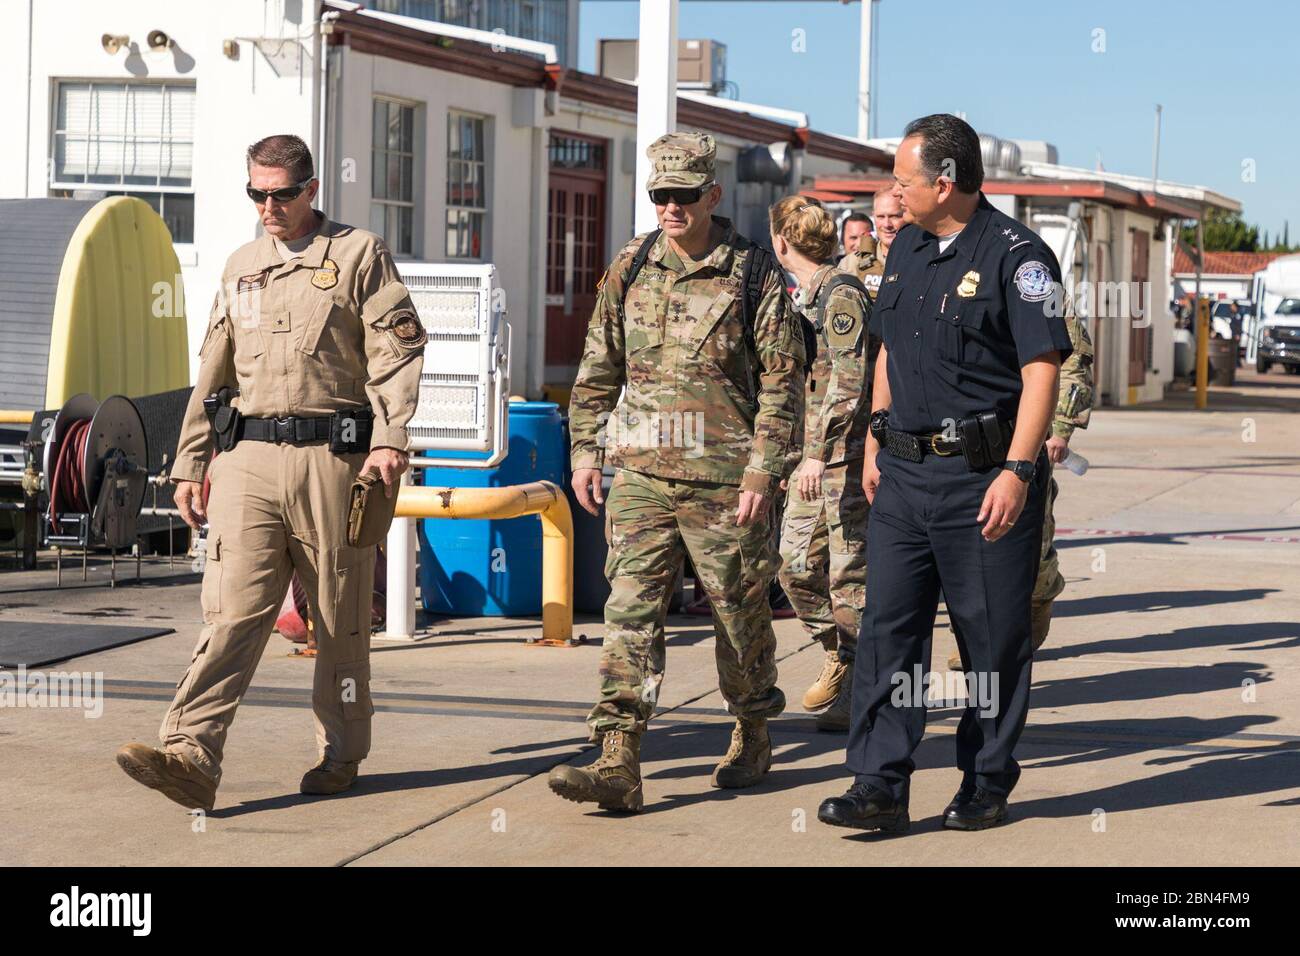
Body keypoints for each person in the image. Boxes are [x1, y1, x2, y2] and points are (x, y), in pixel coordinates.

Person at [116, 134, 425, 811]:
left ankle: (342, 750)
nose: (269, 206)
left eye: (282, 193)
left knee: (339, 622)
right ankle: (191, 752)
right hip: (249, 461)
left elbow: (395, 354)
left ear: (312, 189)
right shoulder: (240, 266)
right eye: (257, 193)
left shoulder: (356, 255)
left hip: (334, 462)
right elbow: (213, 372)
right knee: (231, 611)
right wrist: (191, 461)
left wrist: (389, 439)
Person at [817, 114, 1073, 834]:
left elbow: (1041, 369)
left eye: (904, 180)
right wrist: (875, 439)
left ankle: (985, 780)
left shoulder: (1019, 258)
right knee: (888, 632)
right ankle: (879, 783)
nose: (892, 195)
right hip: (902, 477)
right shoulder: (908, 253)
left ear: (946, 180)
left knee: (989, 640)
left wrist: (1020, 470)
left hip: (984, 477)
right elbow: (891, 355)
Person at [548, 132, 806, 813]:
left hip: (726, 481)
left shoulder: (752, 273)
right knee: (629, 610)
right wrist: (584, 451)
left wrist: (763, 472)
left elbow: (785, 382)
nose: (670, 207)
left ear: (712, 194)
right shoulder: (631, 265)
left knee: (738, 614)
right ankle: (617, 757)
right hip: (641, 474)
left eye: (683, 195)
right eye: (659, 195)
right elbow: (597, 364)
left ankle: (752, 725)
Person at [770, 197, 873, 733]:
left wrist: (817, 452)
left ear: (782, 242)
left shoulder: (841, 294)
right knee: (794, 565)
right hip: (814, 462)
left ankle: (858, 686)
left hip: (844, 460)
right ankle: (841, 652)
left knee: (848, 574)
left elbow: (849, 381)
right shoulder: (805, 296)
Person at [839, 190, 905, 299]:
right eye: (880, 217)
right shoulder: (851, 263)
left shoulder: (920, 260)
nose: (887, 224)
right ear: (873, 216)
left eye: (894, 216)